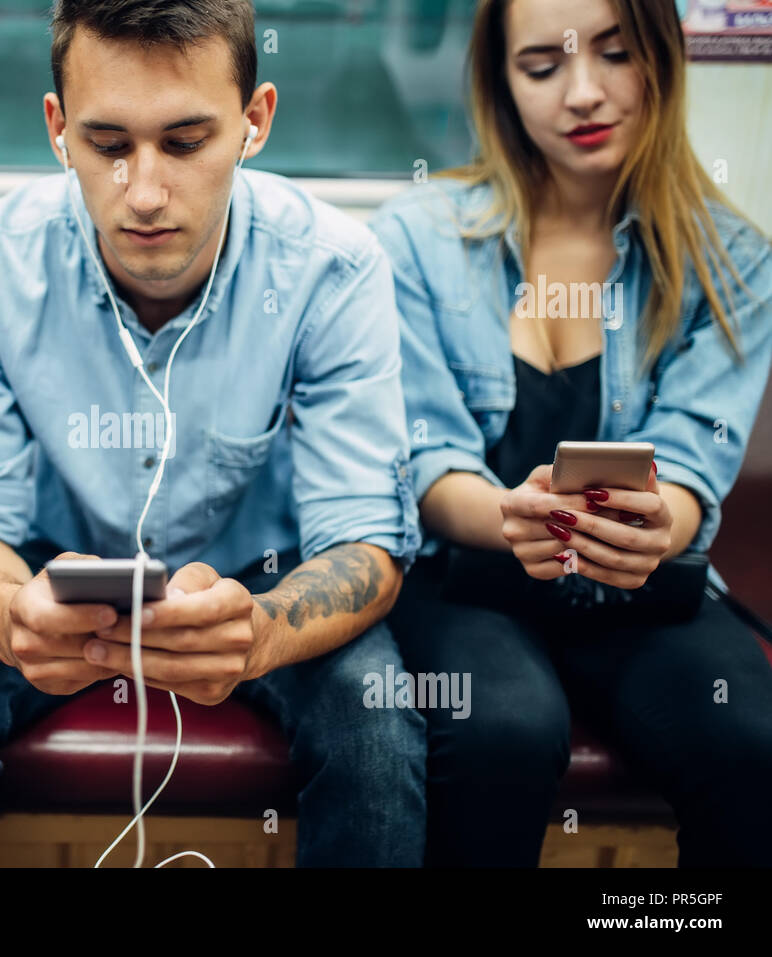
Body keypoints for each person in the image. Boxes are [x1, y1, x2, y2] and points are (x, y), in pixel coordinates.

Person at [0, 0, 426, 867]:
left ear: (256, 122)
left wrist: (265, 631)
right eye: (108, 145)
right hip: (49, 564)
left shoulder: (333, 265)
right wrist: (14, 612)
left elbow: (367, 541)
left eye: (185, 141)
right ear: (57, 128)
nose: (145, 192)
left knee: (376, 717)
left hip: (267, 572)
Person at [369, 0, 772, 867]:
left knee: (749, 741)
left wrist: (658, 523)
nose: (583, 93)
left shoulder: (733, 260)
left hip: (643, 594)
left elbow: (693, 462)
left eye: (616, 53)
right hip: (468, 582)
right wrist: (511, 518)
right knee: (503, 727)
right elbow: (428, 461)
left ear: (661, 55)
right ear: (502, 83)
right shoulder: (415, 241)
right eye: (543, 67)